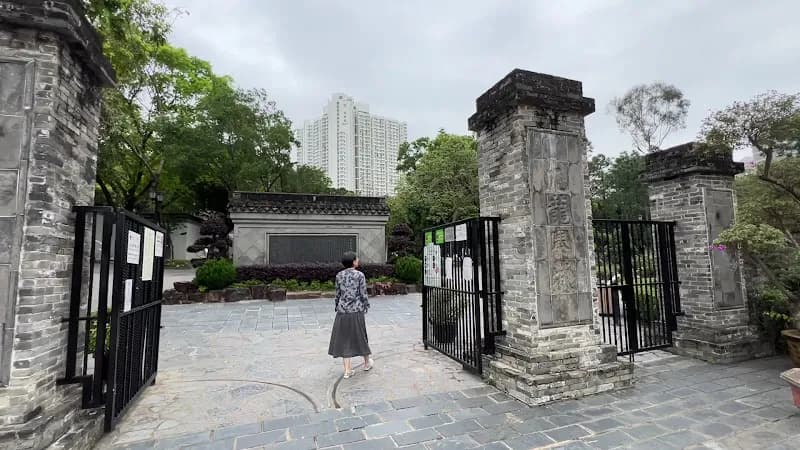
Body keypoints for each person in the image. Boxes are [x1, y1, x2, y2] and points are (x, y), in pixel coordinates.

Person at [328, 251, 374, 378]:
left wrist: (337, 305)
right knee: (361, 336)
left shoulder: (339, 275)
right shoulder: (360, 275)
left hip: (342, 311)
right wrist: (366, 305)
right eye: (356, 259)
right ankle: (367, 363)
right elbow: (363, 293)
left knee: (345, 338)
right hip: (356, 310)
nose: (358, 260)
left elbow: (337, 293)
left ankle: (347, 370)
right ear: (353, 262)